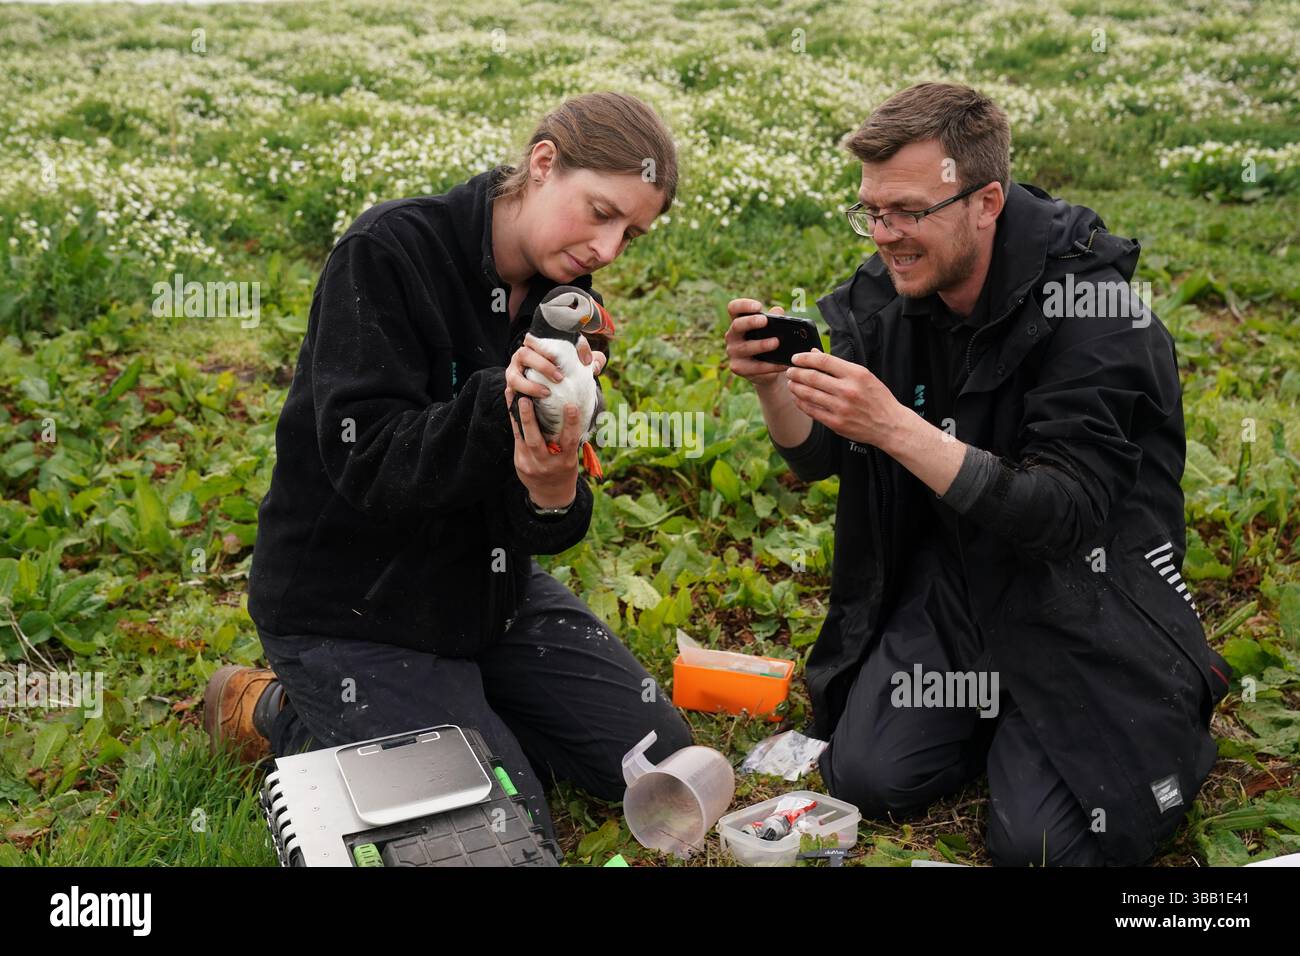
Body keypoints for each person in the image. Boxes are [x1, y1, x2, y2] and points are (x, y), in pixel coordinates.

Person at [725, 82, 1231, 866]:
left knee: (1042, 849)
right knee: (868, 775)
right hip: (958, 582)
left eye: (908, 212)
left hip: (1086, 593)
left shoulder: (1095, 312)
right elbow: (820, 457)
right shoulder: (893, 297)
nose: (885, 235)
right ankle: (1003, 720)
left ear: (986, 201)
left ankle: (1163, 705)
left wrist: (895, 425)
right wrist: (771, 386)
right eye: (872, 211)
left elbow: (1065, 513)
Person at [205, 92, 692, 851]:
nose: (608, 249)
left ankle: (462, 715)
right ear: (541, 164)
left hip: (484, 588)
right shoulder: (390, 249)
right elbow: (367, 463)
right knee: (500, 841)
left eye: (631, 232)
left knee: (663, 764)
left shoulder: (567, 307)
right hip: (353, 603)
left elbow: (539, 520)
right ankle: (282, 712)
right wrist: (502, 400)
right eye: (600, 212)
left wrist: (554, 485)